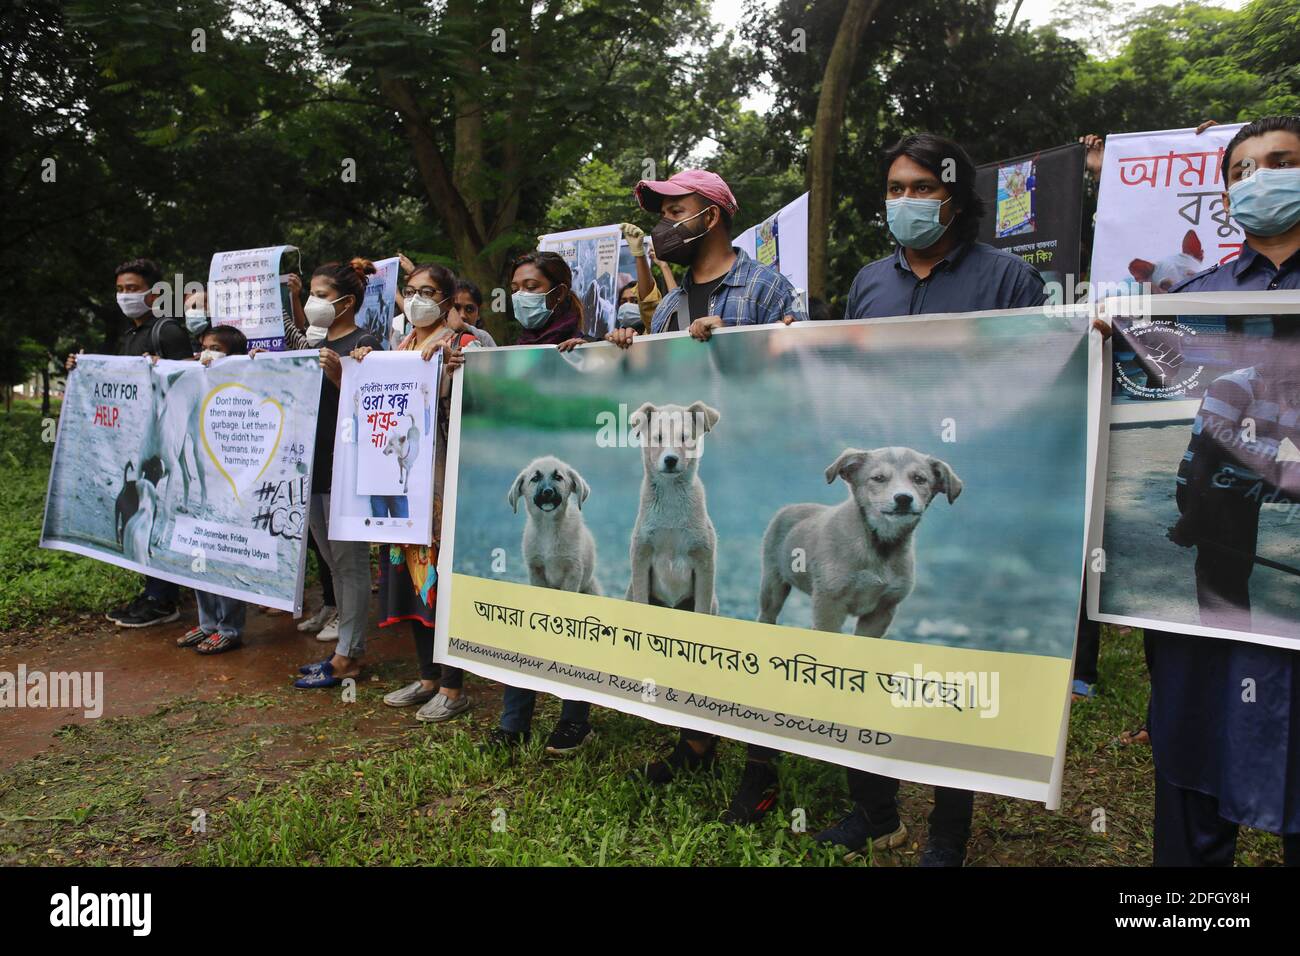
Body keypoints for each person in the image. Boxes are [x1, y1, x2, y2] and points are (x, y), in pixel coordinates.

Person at [815, 133, 1049, 867]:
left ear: (957, 197)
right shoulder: (869, 283)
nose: (907, 201)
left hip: (955, 488)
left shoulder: (1009, 279)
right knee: (866, 656)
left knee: (951, 659)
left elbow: (1041, 372)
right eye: (896, 188)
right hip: (881, 501)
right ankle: (874, 810)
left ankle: (949, 831)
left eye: (923, 188)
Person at [608, 169, 802, 823]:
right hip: (692, 485)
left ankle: (761, 763)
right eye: (660, 215)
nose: (664, 227)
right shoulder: (666, 308)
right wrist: (618, 353)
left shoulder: (768, 289)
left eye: (676, 211)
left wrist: (741, 351)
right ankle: (696, 739)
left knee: (749, 616)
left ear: (711, 217)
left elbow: (803, 374)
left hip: (755, 474)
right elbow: (650, 390)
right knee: (690, 623)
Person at [1144, 115, 1300, 866]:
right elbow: (1198, 427)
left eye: (1280, 162)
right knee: (1198, 718)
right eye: (1242, 171)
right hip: (1229, 502)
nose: (1258, 179)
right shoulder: (1194, 302)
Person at [481, 252, 597, 752]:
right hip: (538, 552)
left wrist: (598, 352)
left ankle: (575, 717)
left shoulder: (587, 347)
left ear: (557, 289)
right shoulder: (518, 352)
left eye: (533, 285)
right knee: (528, 622)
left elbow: (613, 381)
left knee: (571, 628)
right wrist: (469, 373)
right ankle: (514, 723)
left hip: (574, 577)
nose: (522, 295)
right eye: (516, 286)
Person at [364, 263, 474, 723]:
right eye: (410, 291)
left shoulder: (466, 345)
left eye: (427, 291)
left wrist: (454, 377)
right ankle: (427, 677)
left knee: (443, 586)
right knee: (414, 585)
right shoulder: (400, 347)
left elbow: (472, 410)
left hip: (444, 490)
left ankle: (453, 687)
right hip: (403, 492)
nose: (416, 299)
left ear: (447, 300)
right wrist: (364, 367)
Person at [65, 258, 193, 628]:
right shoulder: (129, 334)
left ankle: (163, 599)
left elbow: (189, 382)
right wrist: (80, 368)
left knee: (158, 514)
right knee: (142, 514)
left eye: (133, 288)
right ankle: (153, 592)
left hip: (164, 443)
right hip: (137, 442)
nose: (125, 295)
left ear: (154, 293)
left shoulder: (167, 332)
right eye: (121, 289)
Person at [293, 259, 384, 689]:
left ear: (347, 302)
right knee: (331, 562)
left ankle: (350, 654)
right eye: (310, 294)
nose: (313, 303)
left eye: (322, 296)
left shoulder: (366, 343)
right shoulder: (311, 342)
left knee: (350, 564)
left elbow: (376, 408)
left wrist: (339, 375)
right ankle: (344, 648)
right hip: (309, 466)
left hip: (344, 469)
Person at [173, 324, 252, 653]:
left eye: (216, 348)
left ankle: (229, 627)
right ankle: (207, 623)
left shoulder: (245, 382)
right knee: (199, 553)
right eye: (204, 346)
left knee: (226, 556)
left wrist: (254, 364)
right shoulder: (196, 381)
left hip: (230, 485)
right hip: (199, 482)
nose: (207, 353)